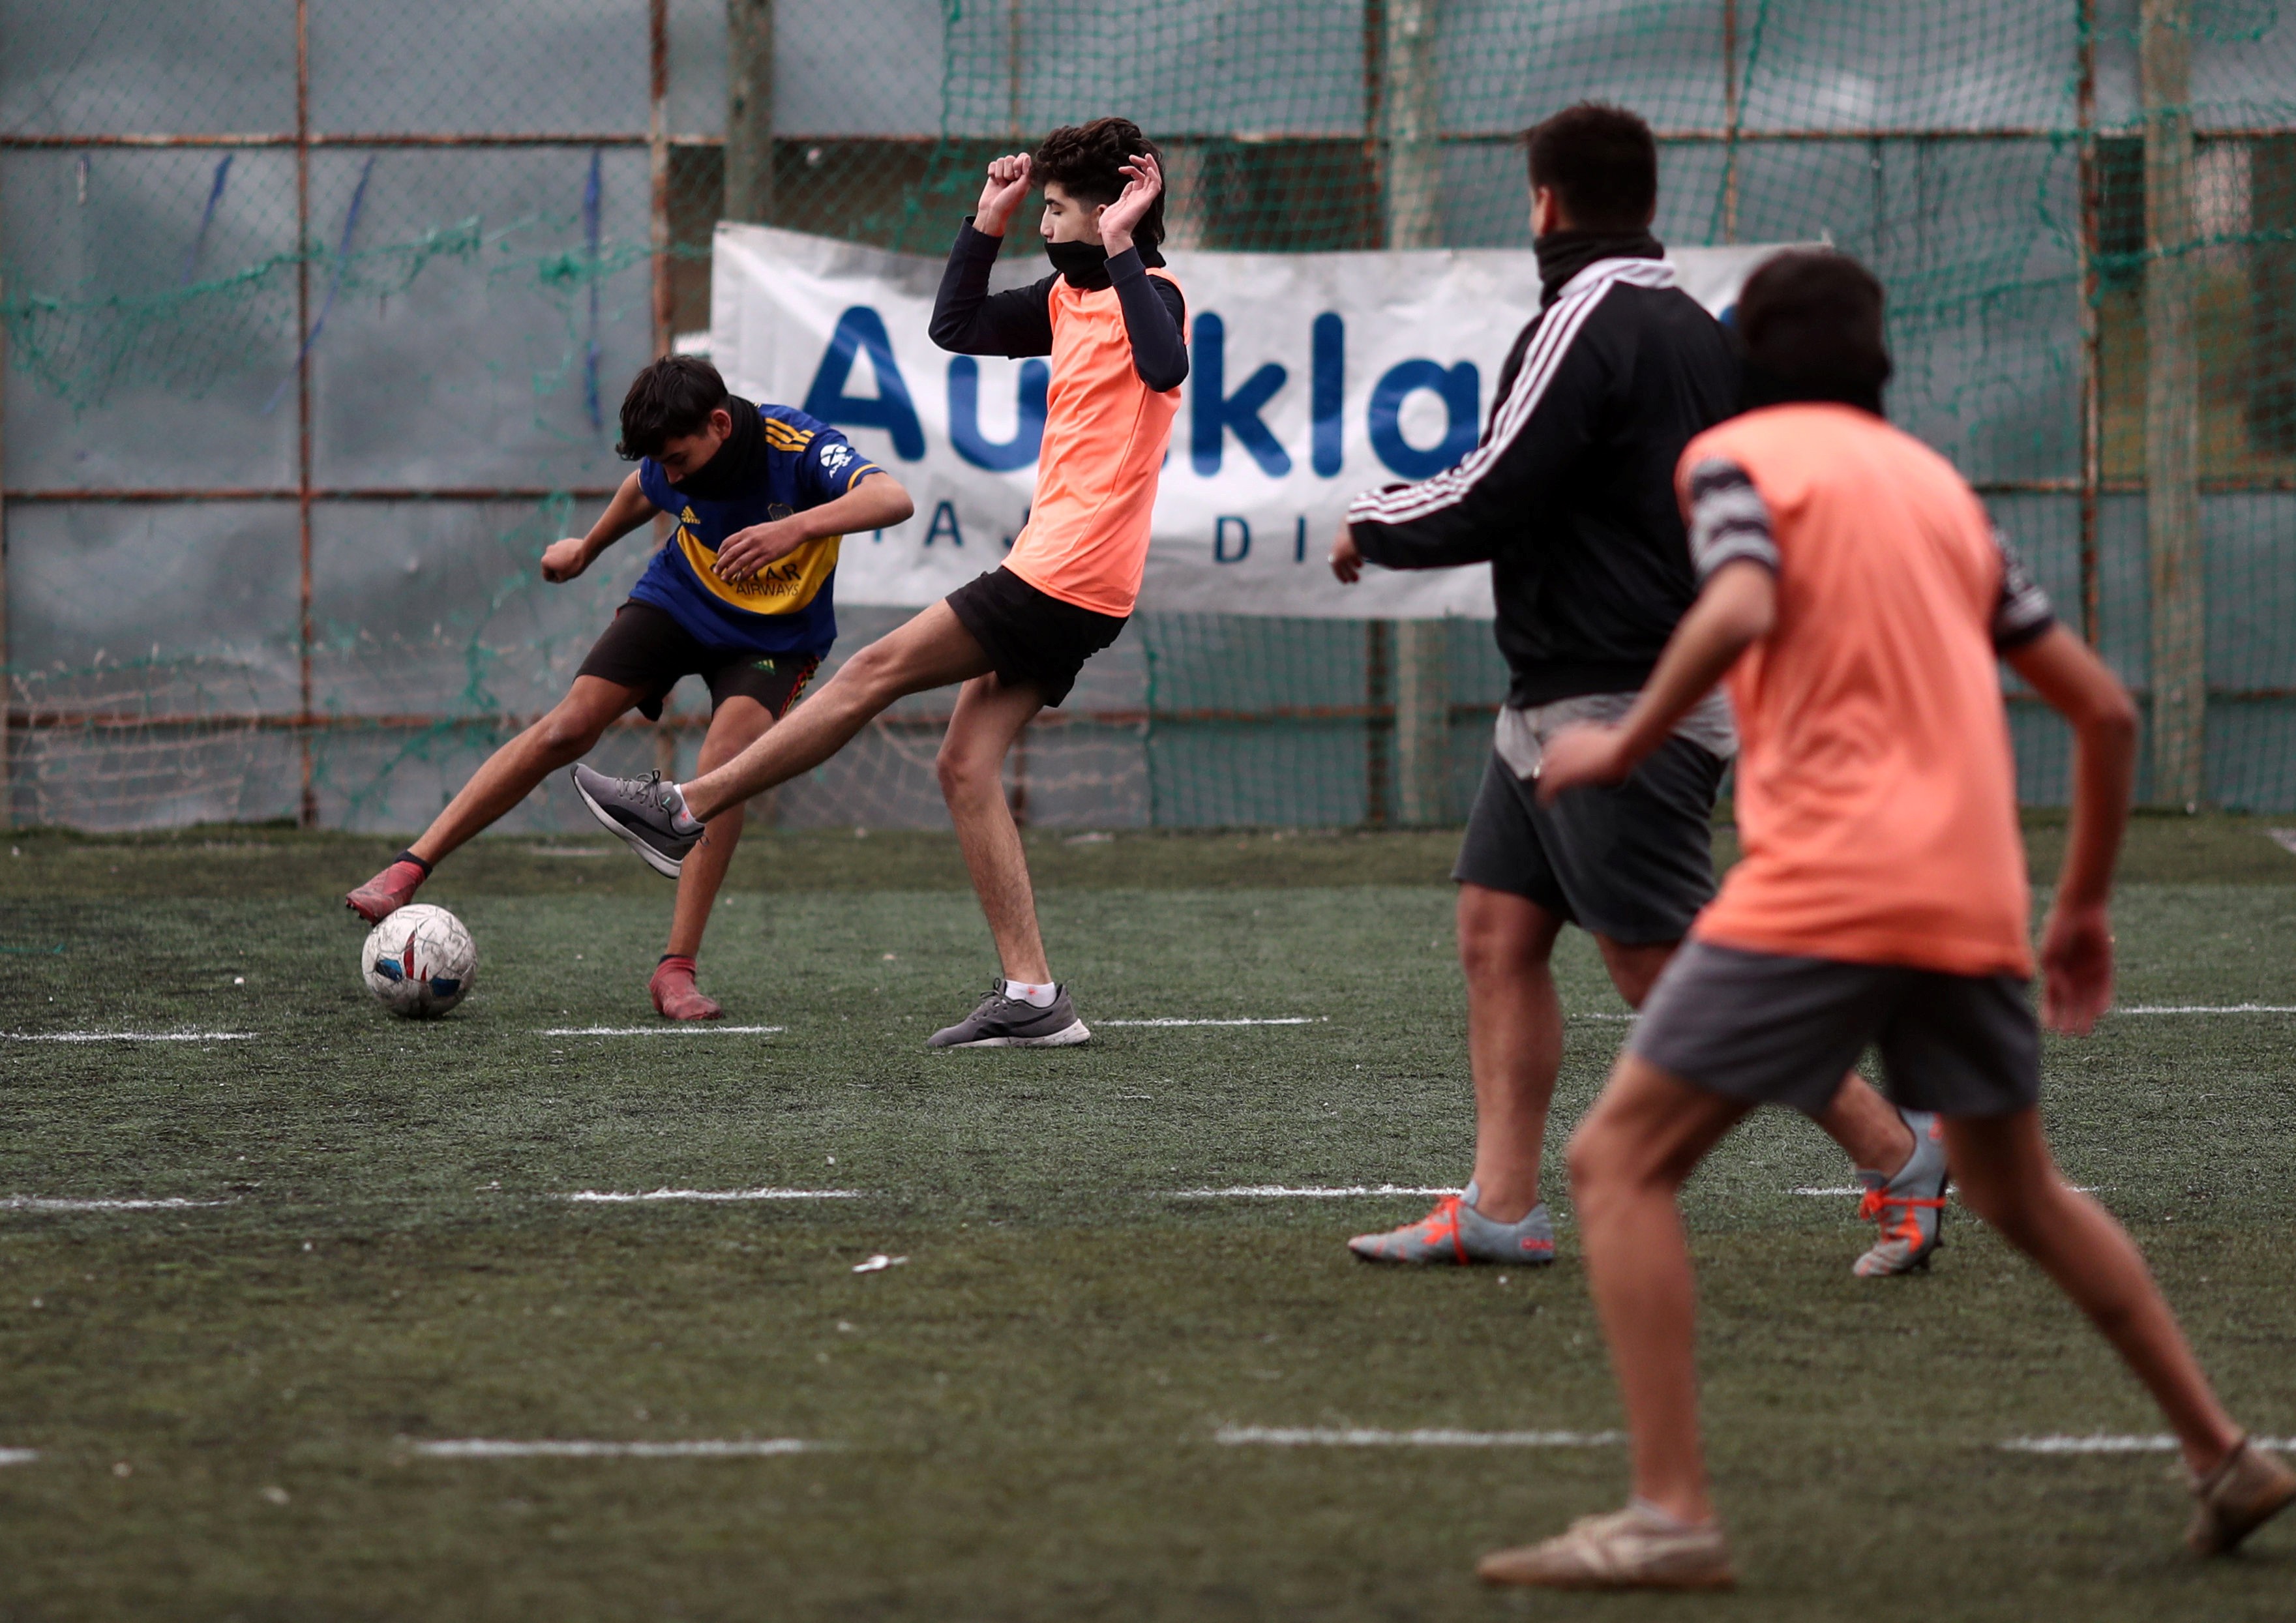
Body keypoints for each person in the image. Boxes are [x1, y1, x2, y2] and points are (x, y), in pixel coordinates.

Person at [1478, 250, 2296, 1588]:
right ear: (1879, 368)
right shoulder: (1937, 492)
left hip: (1826, 884)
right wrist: (2078, 902)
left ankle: (1670, 1514)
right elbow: (2103, 709)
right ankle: (2220, 1450)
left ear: (1745, 365)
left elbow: (1740, 598)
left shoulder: (1738, 458)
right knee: (2018, 1189)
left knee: (1614, 1165)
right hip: (1970, 894)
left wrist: (1624, 736)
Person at [1328, 102, 1943, 1276]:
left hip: (1618, 700)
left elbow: (1496, 483)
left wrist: (1372, 521)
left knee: (1666, 970)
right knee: (1497, 931)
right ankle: (1501, 1204)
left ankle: (1893, 1146)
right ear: (1647, 201)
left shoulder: (1587, 315)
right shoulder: (1696, 332)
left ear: (1544, 202)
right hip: (1564, 690)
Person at [573, 116, 1187, 1049]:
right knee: (963, 762)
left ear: (1108, 212)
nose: (1042, 224)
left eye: (1054, 209)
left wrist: (1119, 244)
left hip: (1066, 574)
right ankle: (1032, 997)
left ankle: (684, 809)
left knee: (869, 671)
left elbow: (1164, 362)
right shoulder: (1065, 299)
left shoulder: (1157, 296)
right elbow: (956, 325)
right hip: (1066, 574)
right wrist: (984, 221)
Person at [345, 355, 911, 1020]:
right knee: (568, 726)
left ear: (719, 424)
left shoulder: (797, 446)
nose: (670, 473)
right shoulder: (669, 463)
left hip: (774, 640)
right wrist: (586, 549)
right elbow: (642, 489)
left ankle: (676, 969)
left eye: (678, 457)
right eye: (661, 461)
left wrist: (794, 526)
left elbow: (892, 499)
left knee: (727, 763)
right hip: (681, 602)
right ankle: (409, 868)